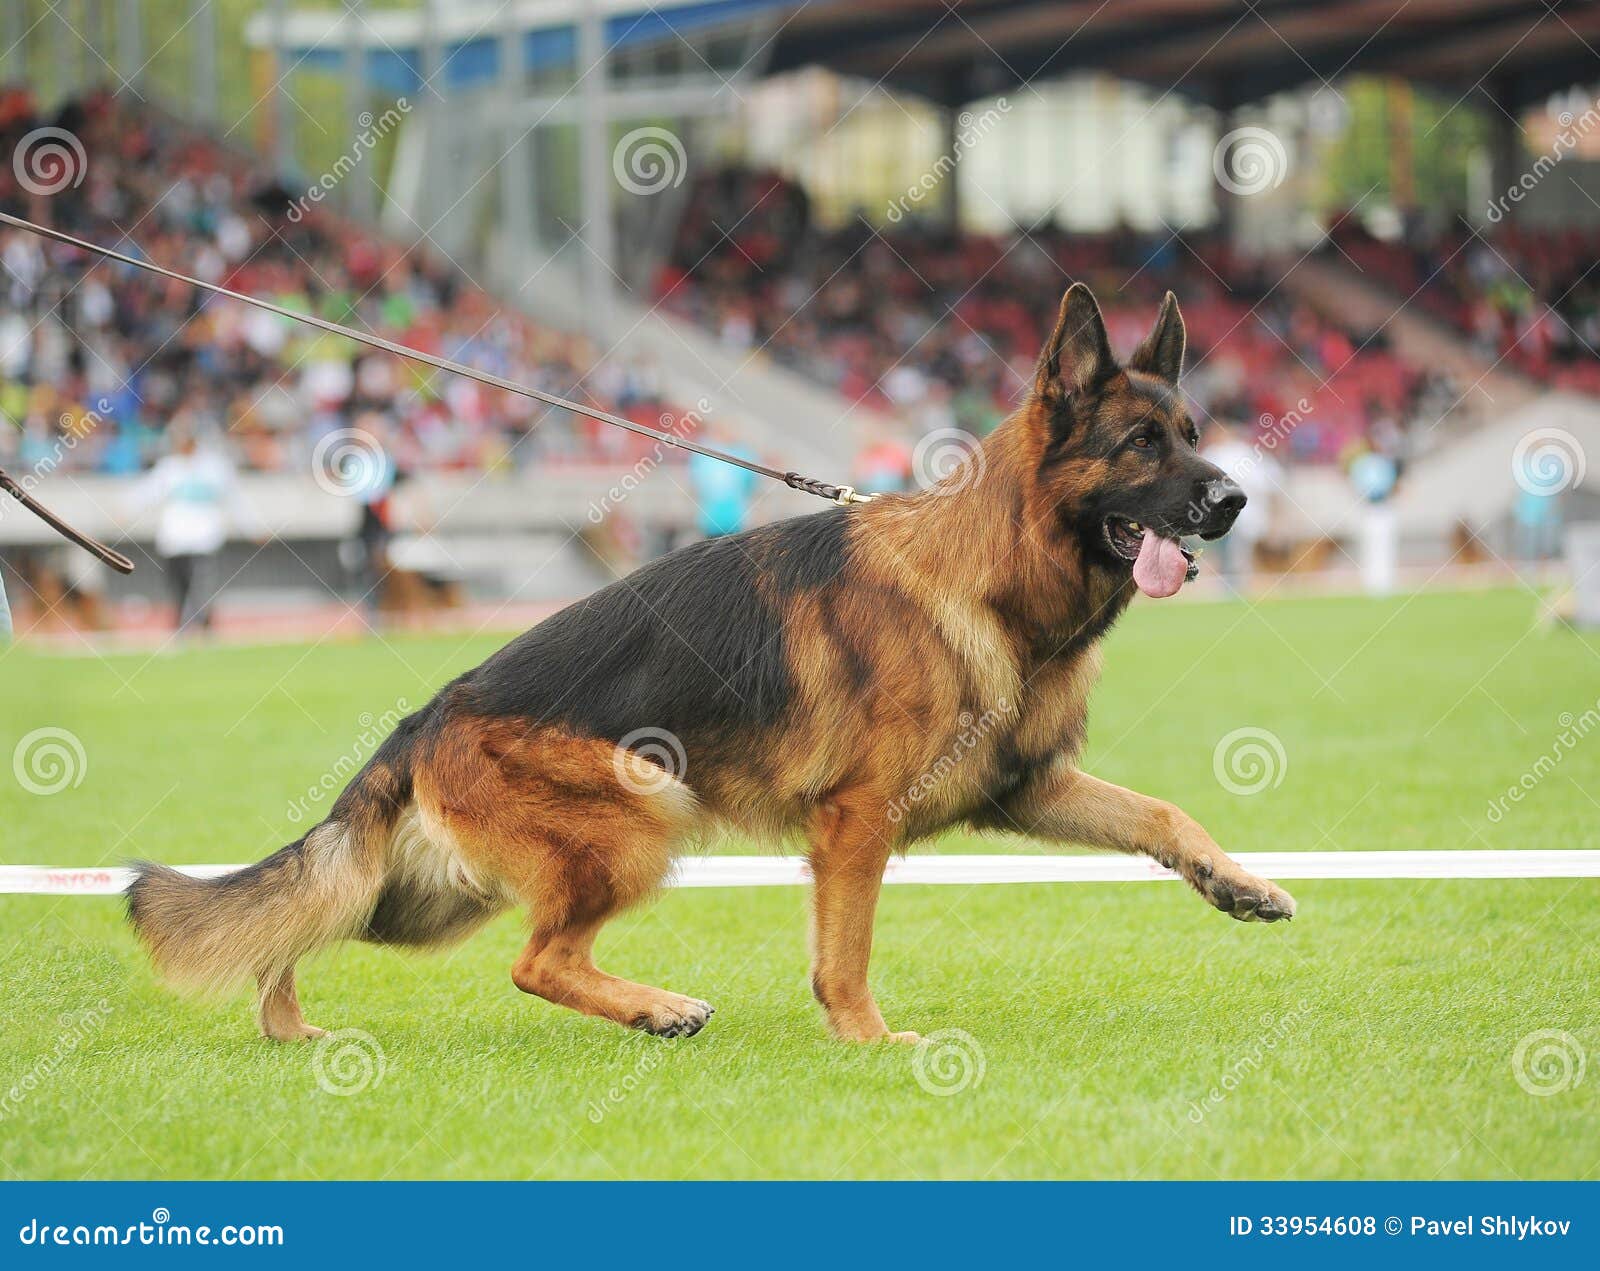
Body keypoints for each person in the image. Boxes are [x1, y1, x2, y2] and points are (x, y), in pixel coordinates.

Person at [128, 430, 260, 634]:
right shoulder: (169, 468)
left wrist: (252, 528)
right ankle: (183, 624)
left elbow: (235, 500)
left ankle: (202, 624)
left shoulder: (214, 469)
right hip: (174, 540)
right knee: (178, 585)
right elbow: (145, 494)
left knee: (202, 585)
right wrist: (122, 513)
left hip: (204, 540)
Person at [1201, 421, 1282, 593]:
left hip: (1230, 515)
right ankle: (1233, 588)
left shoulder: (1217, 453)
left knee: (1233, 556)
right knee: (1236, 556)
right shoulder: (1251, 454)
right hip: (1247, 515)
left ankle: (1231, 589)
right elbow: (1271, 488)